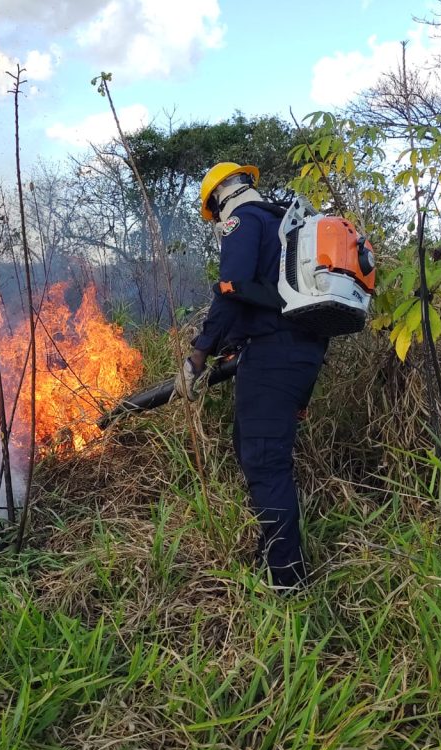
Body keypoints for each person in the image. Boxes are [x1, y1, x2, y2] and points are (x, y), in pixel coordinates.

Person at [174, 162, 327, 588]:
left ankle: (287, 583)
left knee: (263, 461)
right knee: (252, 449)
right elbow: (270, 298)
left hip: (273, 358)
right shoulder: (285, 224)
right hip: (300, 357)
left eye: (213, 211)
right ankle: (271, 553)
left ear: (220, 197)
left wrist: (199, 354)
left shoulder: (244, 221)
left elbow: (231, 290)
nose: (217, 220)